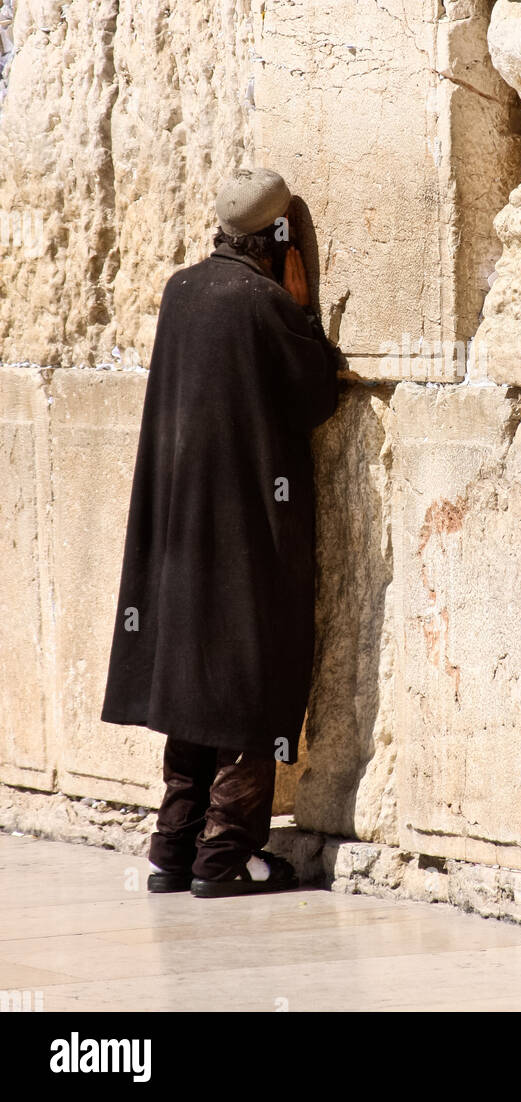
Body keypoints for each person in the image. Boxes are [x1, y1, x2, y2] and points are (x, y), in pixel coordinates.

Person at [101, 167, 342, 897]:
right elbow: (314, 397)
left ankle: (173, 846)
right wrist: (302, 313)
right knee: (248, 672)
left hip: (181, 525)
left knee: (192, 673)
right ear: (276, 240)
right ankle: (226, 854)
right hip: (245, 529)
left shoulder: (182, 290)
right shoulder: (264, 302)